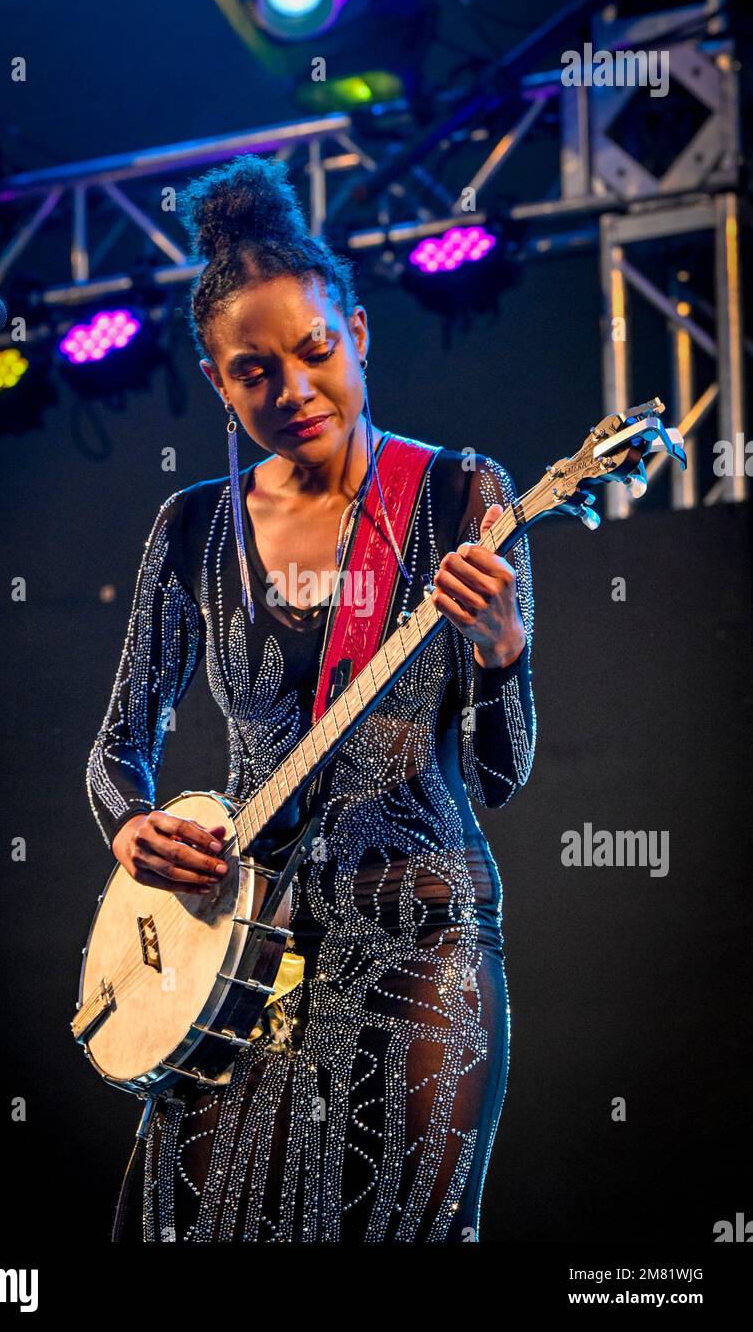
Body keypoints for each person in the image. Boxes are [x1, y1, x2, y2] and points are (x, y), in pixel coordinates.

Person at [86, 153, 536, 1243]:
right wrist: (133, 828)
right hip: (237, 945)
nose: (292, 391)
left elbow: (497, 772)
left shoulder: (454, 494)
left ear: (359, 336)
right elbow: (115, 748)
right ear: (215, 379)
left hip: (421, 929)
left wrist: (499, 647)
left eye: (315, 352)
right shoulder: (191, 528)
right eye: (253, 373)